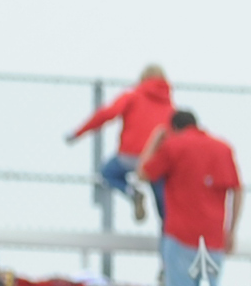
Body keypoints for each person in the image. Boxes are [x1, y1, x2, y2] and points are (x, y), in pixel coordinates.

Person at [145, 108, 244, 286]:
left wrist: (156, 140)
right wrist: (231, 230)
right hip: (212, 238)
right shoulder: (222, 148)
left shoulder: (174, 146)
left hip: (180, 235)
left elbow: (144, 171)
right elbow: (237, 190)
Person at [72, 66, 178, 203]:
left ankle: (132, 192)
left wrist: (78, 132)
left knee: (107, 172)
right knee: (163, 199)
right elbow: (176, 136)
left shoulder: (132, 96)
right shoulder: (171, 107)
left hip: (129, 156)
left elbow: (107, 114)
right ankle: (166, 221)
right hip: (155, 160)